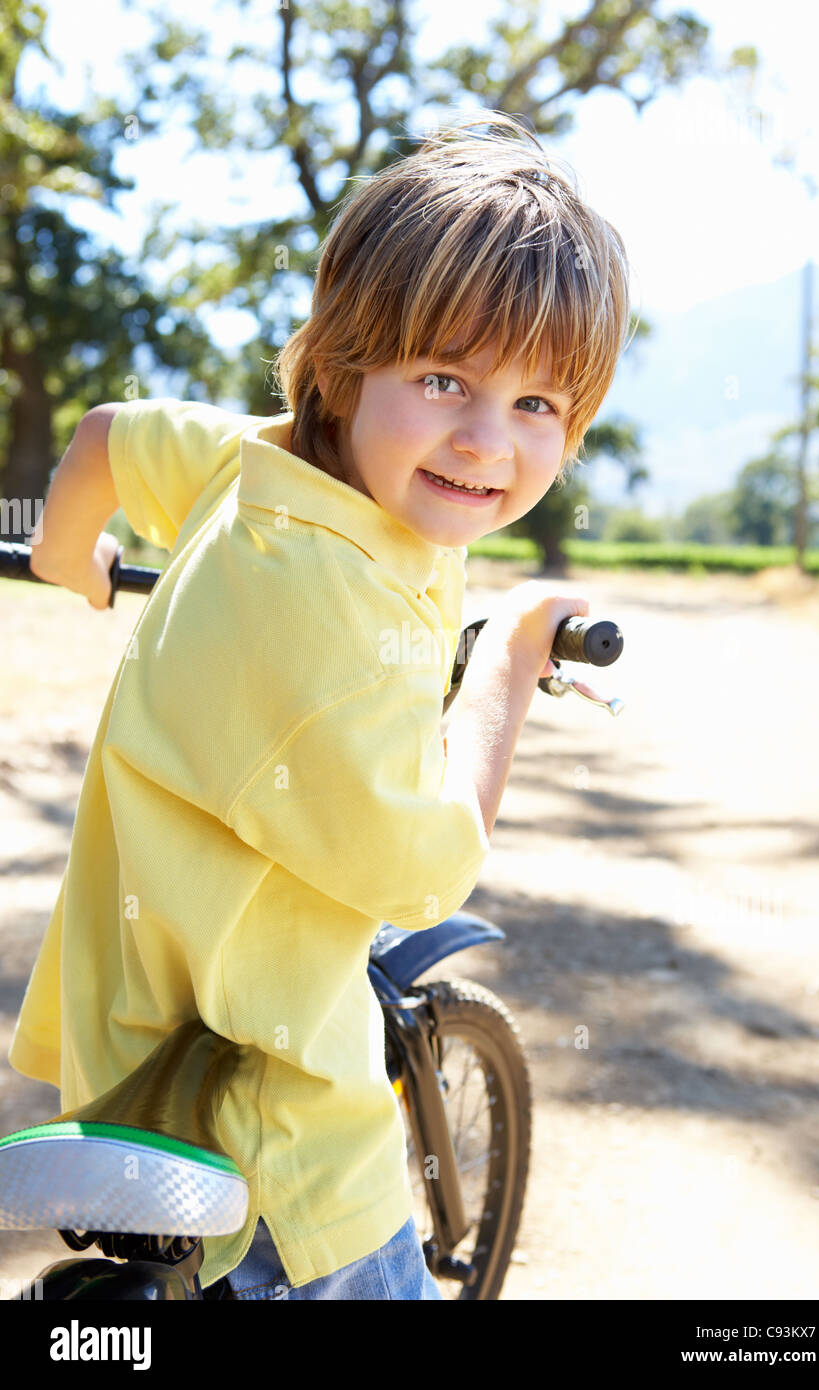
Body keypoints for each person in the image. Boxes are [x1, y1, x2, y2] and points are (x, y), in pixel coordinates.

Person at [8, 109, 633, 1299]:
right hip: (274, 1131)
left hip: (137, 1041)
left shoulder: (268, 465)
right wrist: (503, 658)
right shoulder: (330, 624)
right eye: (443, 378)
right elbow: (419, 868)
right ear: (346, 368)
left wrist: (62, 552)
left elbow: (105, 438)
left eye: (536, 406)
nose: (483, 443)